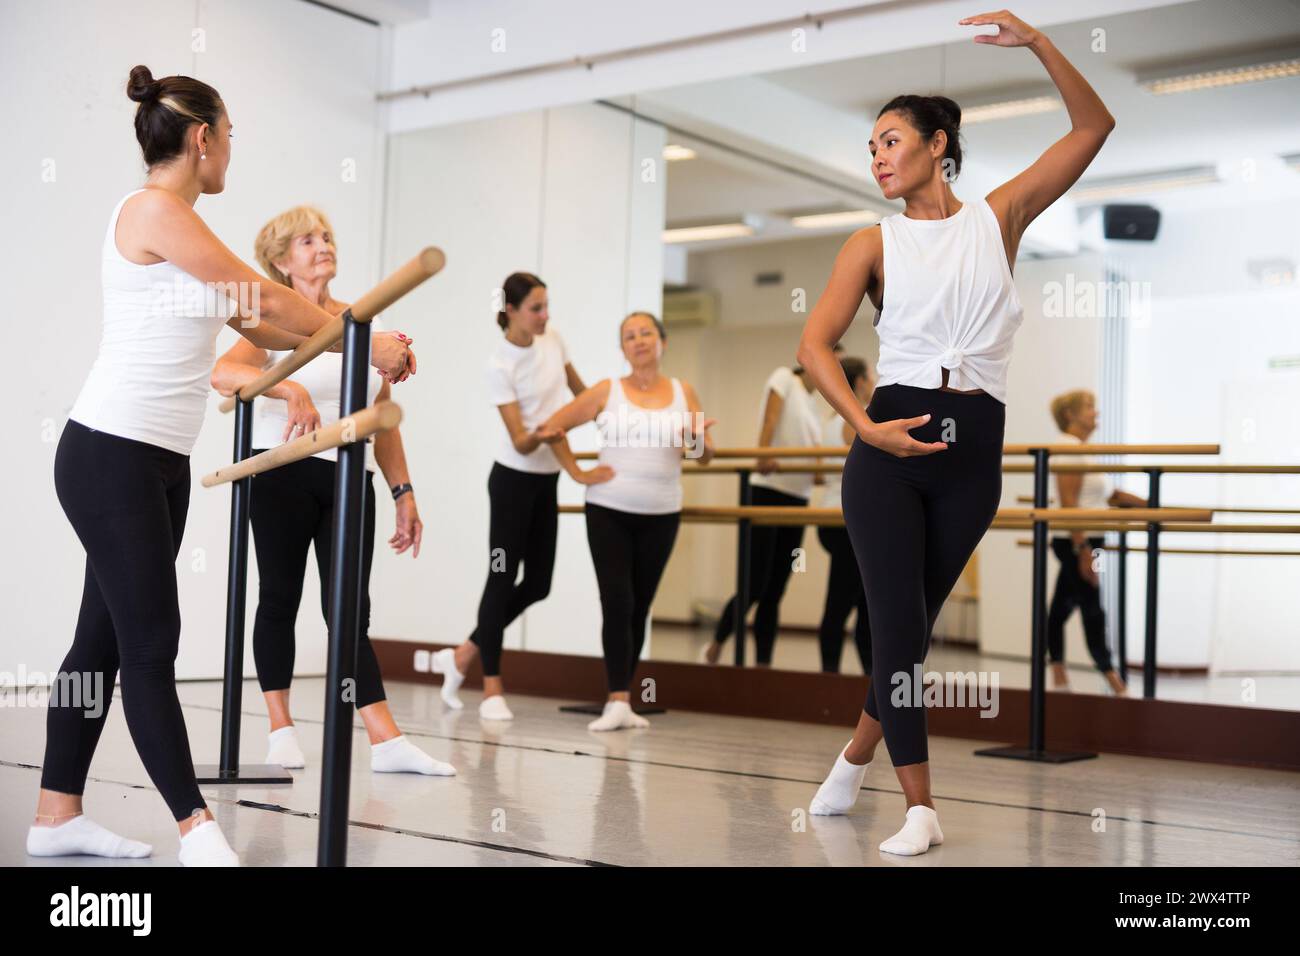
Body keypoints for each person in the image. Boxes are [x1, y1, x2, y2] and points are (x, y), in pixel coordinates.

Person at [32, 66, 415, 867]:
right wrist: (363, 337)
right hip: (110, 451)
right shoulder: (153, 211)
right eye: (230, 135)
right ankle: (196, 829)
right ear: (203, 138)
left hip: (159, 463)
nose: (231, 150)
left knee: (98, 644)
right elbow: (271, 303)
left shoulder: (185, 230)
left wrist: (353, 344)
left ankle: (56, 815)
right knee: (151, 644)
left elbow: (269, 330)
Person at [797, 10, 1115, 855]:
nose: (877, 157)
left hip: (973, 454)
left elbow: (1094, 126)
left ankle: (853, 757)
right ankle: (922, 809)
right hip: (888, 451)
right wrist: (867, 427)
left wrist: (1041, 44)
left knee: (913, 627)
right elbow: (813, 346)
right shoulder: (872, 242)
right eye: (870, 147)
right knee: (895, 627)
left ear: (940, 144)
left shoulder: (999, 218)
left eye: (891, 140)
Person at [211, 205, 455, 775]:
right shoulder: (272, 321)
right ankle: (280, 728)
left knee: (348, 609)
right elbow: (224, 374)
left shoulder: (363, 323)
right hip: (278, 469)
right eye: (305, 240)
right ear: (279, 260)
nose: (321, 245)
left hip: (346, 475)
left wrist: (404, 492)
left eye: (325, 236)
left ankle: (386, 741)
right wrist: (287, 388)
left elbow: (383, 415)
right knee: (279, 599)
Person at [432, 273, 611, 720]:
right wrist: (551, 434)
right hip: (512, 481)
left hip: (545, 480)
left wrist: (614, 418)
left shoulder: (555, 340)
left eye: (547, 305)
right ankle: (491, 687)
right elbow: (520, 440)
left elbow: (581, 395)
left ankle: (463, 653)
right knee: (502, 577)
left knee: (539, 583)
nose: (545, 316)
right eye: (535, 308)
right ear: (511, 311)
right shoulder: (500, 364)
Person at [542, 312, 715, 730]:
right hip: (608, 510)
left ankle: (625, 698)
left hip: (662, 512)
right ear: (622, 349)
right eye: (630, 336)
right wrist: (579, 474)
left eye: (646, 333)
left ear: (662, 341)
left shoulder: (682, 391)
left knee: (639, 606)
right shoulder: (607, 390)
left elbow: (703, 455)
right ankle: (616, 699)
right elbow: (552, 428)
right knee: (616, 602)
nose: (639, 341)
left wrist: (693, 438)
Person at [703, 362, 821, 666]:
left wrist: (819, 471)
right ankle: (717, 642)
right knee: (754, 584)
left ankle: (764, 664)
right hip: (768, 489)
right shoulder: (785, 377)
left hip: (798, 498)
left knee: (776, 589)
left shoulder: (813, 404)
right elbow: (771, 415)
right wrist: (763, 451)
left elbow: (815, 458)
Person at [1046, 389, 1144, 695]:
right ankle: (1112, 677)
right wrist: (1082, 550)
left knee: (1063, 607)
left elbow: (1105, 495)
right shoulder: (1068, 448)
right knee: (1092, 606)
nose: (1096, 412)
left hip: (1093, 541)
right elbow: (1068, 501)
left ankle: (1059, 671)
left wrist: (1147, 503)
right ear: (1069, 415)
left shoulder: (1084, 449)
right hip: (1078, 541)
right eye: (1089, 407)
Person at [817, 356, 874, 674]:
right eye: (871, 376)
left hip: (833, 517)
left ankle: (864, 677)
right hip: (846, 522)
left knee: (861, 599)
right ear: (860, 382)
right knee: (846, 601)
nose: (875, 382)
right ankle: (831, 676)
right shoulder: (857, 420)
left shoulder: (830, 418)